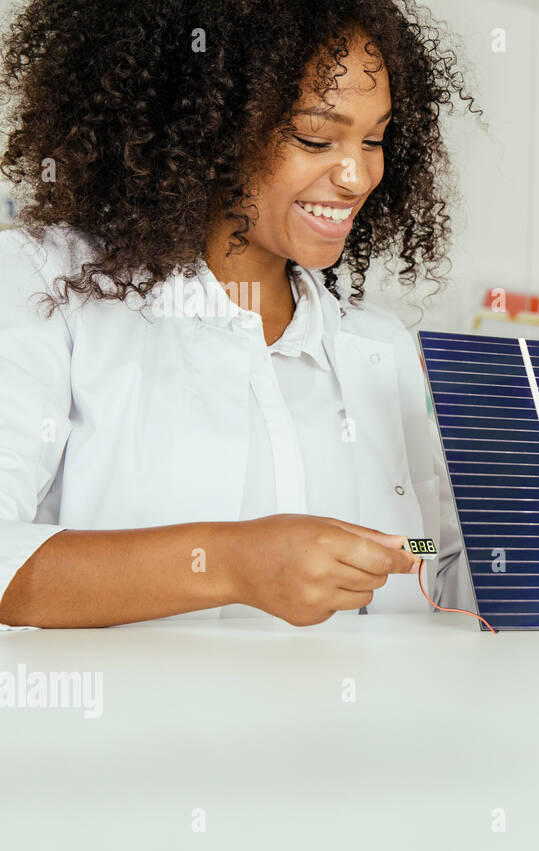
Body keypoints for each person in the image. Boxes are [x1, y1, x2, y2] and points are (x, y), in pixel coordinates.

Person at [0, 0, 478, 628]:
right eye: (315, 137)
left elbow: (424, 555)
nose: (357, 175)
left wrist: (504, 534)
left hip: (357, 727)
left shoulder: (381, 349)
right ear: (205, 129)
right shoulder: (47, 290)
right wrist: (231, 563)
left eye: (373, 139)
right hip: (136, 727)